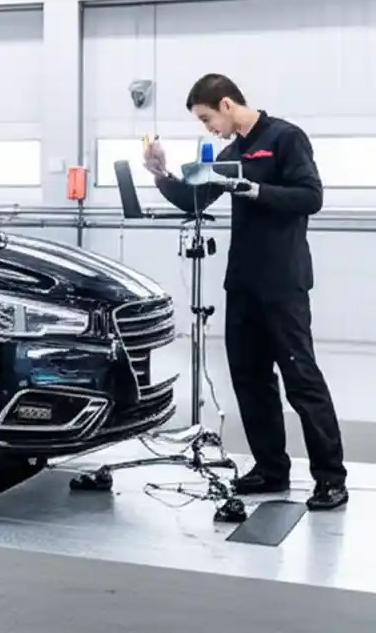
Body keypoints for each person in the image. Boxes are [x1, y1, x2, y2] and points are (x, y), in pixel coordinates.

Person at [143, 73, 348, 511]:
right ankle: (271, 469)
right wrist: (160, 173)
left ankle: (331, 478)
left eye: (206, 119)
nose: (208, 129)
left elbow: (311, 197)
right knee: (251, 381)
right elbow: (194, 202)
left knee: (301, 381)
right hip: (243, 286)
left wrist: (254, 189)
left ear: (227, 105)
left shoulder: (285, 139)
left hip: (282, 285)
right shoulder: (231, 153)